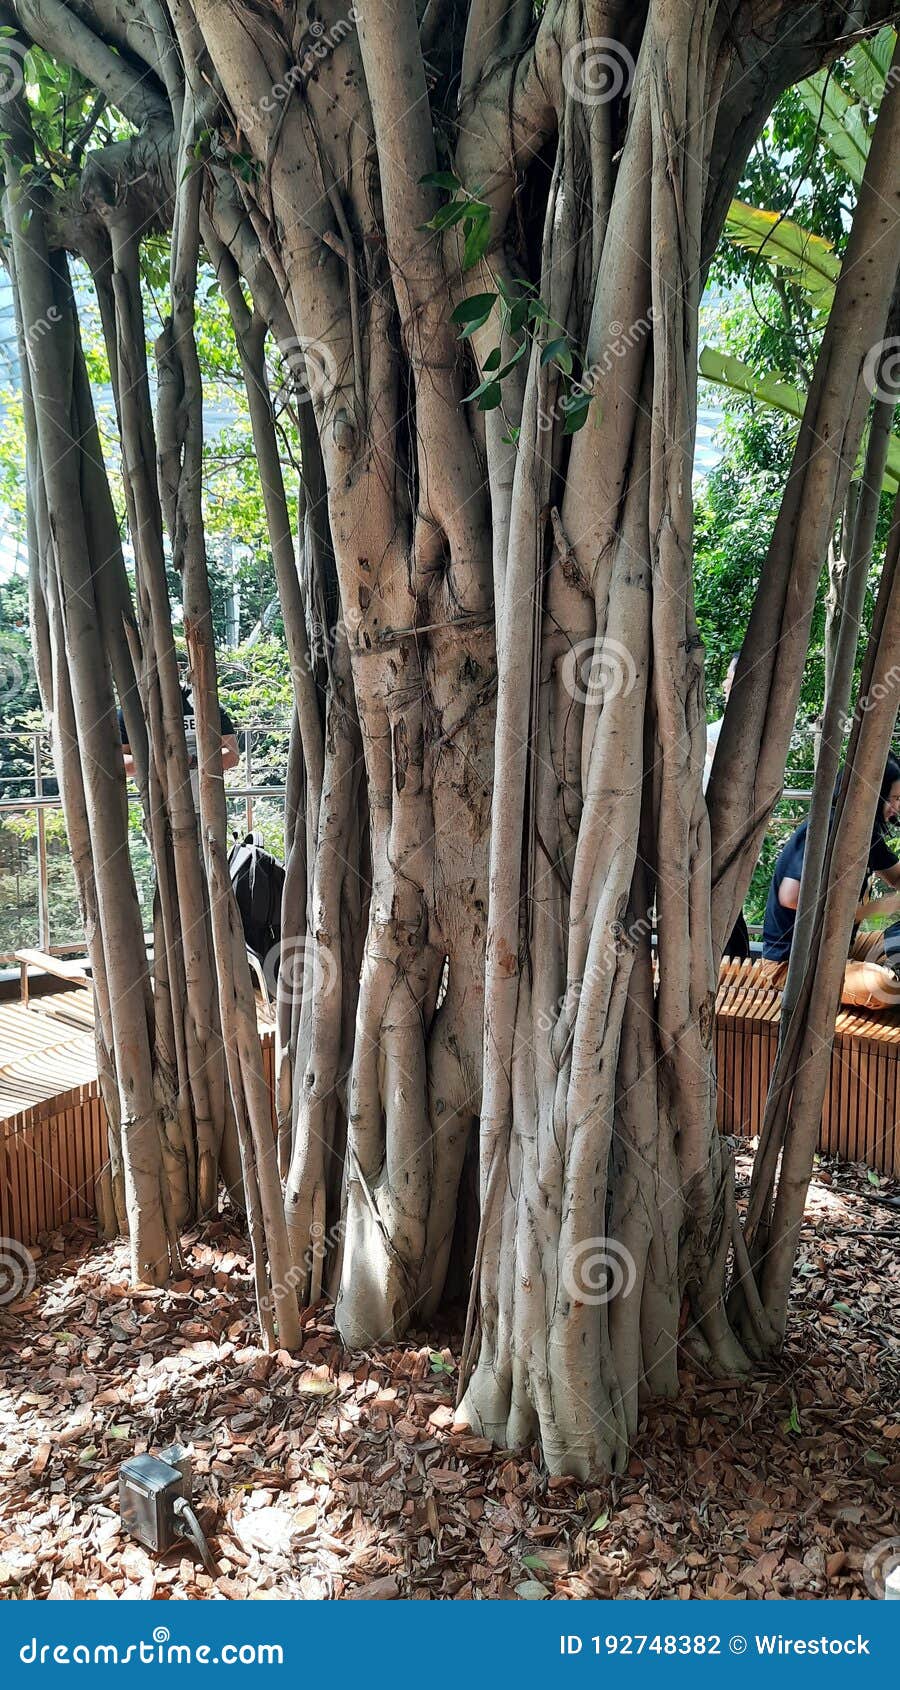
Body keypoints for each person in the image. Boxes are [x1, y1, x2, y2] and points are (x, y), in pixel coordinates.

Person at [762, 753, 900, 1007]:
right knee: (888, 986)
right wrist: (866, 911)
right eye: (894, 799)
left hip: (837, 947)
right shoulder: (824, 827)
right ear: (872, 794)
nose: (897, 807)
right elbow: (790, 896)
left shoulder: (866, 832)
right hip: (793, 964)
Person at [119, 671, 240, 810]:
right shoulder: (132, 711)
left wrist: (191, 761)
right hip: (157, 811)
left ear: (175, 667)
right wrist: (164, 760)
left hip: (207, 809)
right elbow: (122, 764)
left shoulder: (205, 704)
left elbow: (232, 756)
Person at [705, 652, 751, 958]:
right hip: (704, 841)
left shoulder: (763, 742)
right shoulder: (708, 736)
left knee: (729, 910)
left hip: (738, 841)